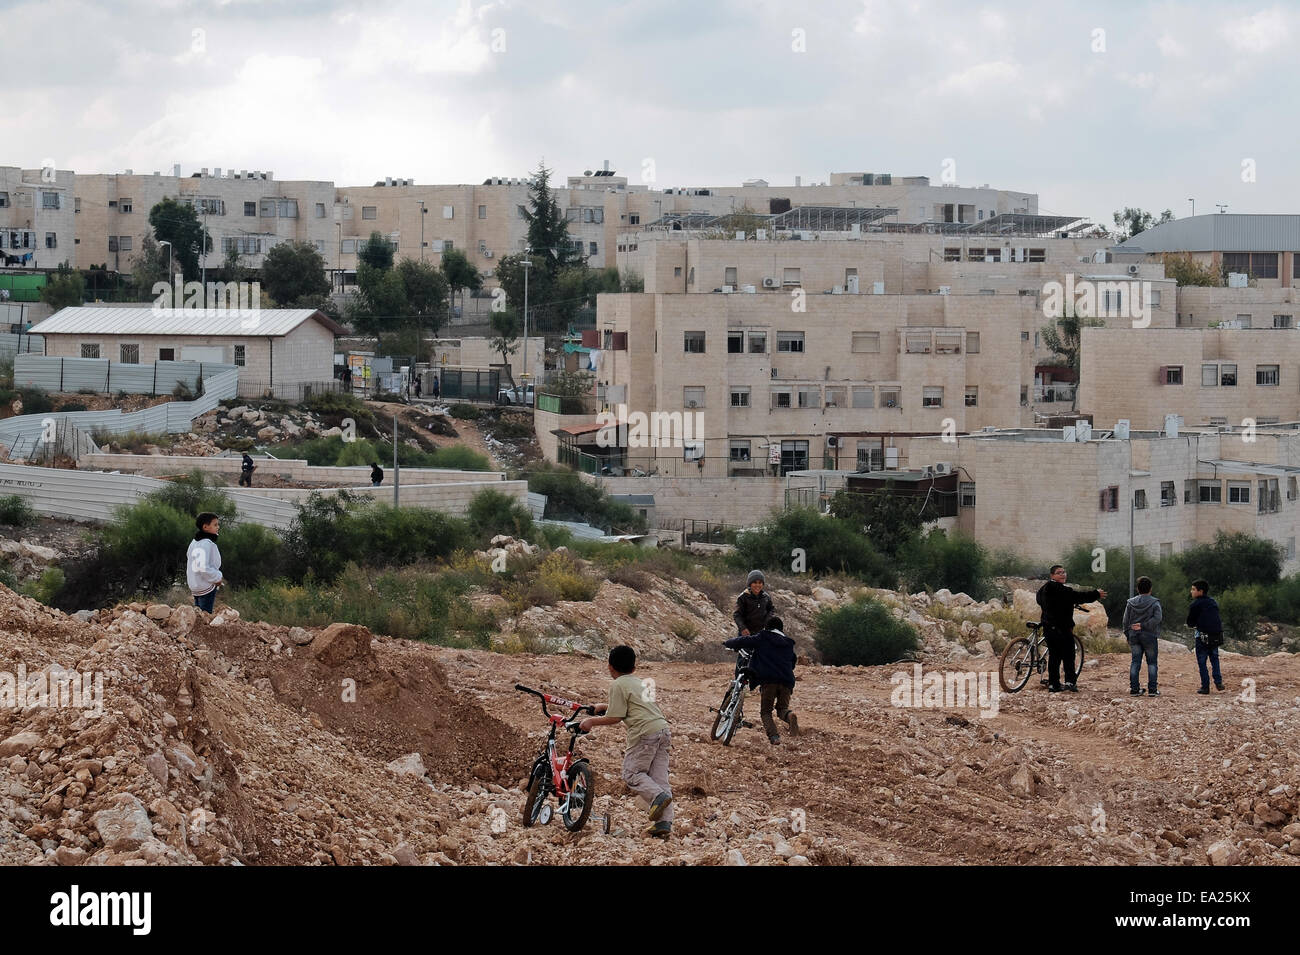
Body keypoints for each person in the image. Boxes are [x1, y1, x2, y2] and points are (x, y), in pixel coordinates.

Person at [579, 645, 673, 838]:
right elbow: (632, 707)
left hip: (644, 734)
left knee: (631, 774)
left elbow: (616, 717)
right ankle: (664, 822)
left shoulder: (617, 684)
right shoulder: (639, 683)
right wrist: (603, 706)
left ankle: (657, 797)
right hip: (662, 731)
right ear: (633, 668)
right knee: (659, 778)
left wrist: (590, 722)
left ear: (610, 667)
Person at [723, 615, 798, 745]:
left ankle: (774, 737)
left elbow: (744, 641)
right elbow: (793, 661)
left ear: (767, 627)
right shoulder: (788, 643)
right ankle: (789, 716)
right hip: (787, 682)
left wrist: (728, 643)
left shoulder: (763, 637)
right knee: (781, 709)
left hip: (769, 681)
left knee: (766, 712)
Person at [1035, 564, 1106, 693]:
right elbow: (1079, 596)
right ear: (1052, 575)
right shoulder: (1062, 590)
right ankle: (1070, 682)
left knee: (1054, 656)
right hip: (1062, 627)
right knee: (1068, 655)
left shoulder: (1043, 589)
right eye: (1059, 572)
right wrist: (1096, 594)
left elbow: (1040, 601)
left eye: (1064, 572)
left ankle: (1053, 684)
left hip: (1048, 627)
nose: (1063, 574)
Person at [1122, 575, 1162, 696]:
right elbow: (1158, 618)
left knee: (1135, 662)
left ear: (1138, 589)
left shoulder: (1130, 603)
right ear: (1150, 589)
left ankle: (1134, 689)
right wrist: (1144, 625)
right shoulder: (1155, 603)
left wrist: (1127, 635)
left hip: (1134, 635)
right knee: (1152, 663)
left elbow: (1125, 621)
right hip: (1149, 635)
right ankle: (1153, 690)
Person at [1187, 579, 1225, 694]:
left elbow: (1190, 622)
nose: (1191, 591)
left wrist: (1193, 624)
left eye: (1193, 589)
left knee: (1202, 662)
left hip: (1202, 637)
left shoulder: (1195, 605)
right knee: (1214, 659)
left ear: (1200, 591)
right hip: (1215, 636)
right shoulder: (1213, 602)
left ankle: (1205, 686)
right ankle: (1218, 682)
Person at [185, 512, 223, 613]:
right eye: (215, 525)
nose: (218, 527)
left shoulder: (194, 542)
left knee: (198, 614)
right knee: (205, 615)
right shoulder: (206, 543)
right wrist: (217, 578)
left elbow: (190, 558)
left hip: (195, 584)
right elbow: (203, 567)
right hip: (205, 585)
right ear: (205, 527)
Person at [734, 570, 775, 637]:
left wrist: (768, 623)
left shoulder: (766, 597)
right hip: (746, 633)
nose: (757, 585)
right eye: (755, 583)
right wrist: (743, 628)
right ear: (750, 584)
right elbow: (737, 615)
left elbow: (771, 609)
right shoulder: (743, 597)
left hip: (762, 633)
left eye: (760, 583)